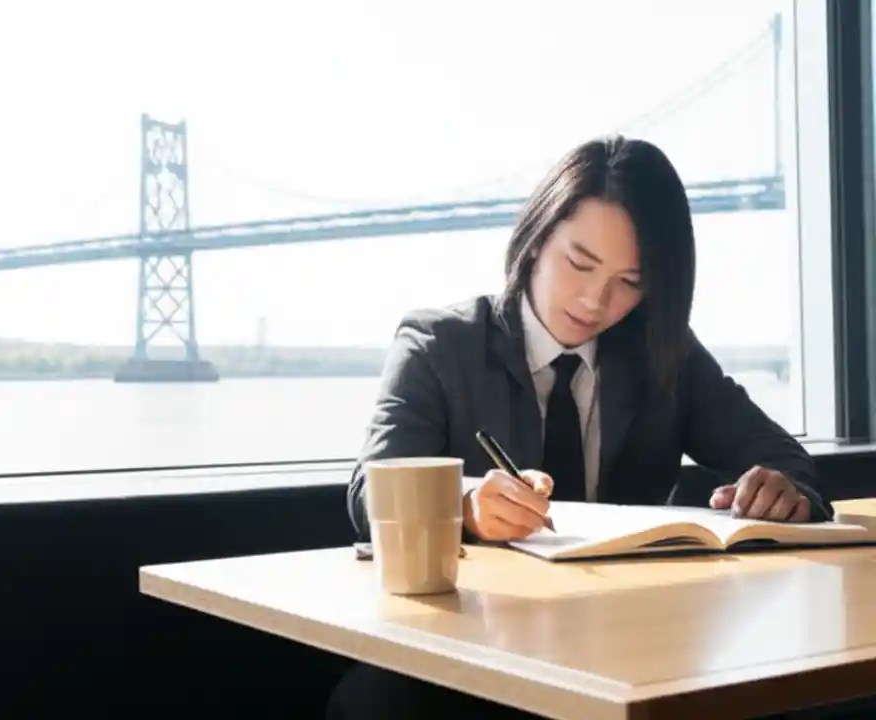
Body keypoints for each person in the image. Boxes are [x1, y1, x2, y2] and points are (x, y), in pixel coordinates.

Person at [327, 135, 835, 719]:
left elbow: (790, 465)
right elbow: (371, 491)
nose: (596, 300)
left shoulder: (662, 357)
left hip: (619, 655)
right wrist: (464, 506)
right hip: (464, 654)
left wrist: (782, 491)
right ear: (537, 238)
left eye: (630, 282)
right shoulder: (438, 346)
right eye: (580, 264)